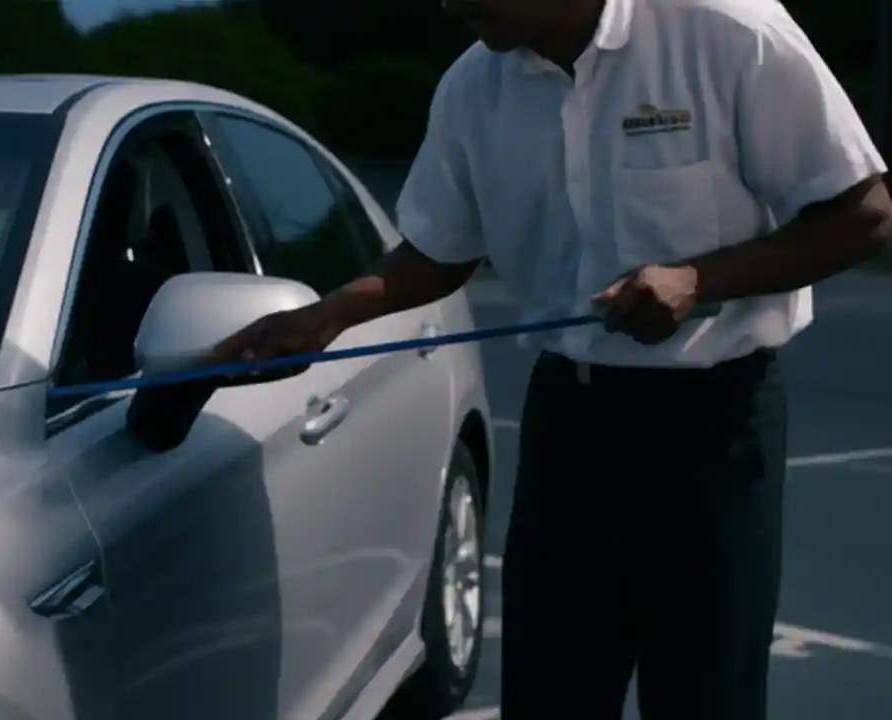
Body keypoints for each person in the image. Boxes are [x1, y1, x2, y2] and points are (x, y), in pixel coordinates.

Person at [210, 0, 892, 718]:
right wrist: (325, 316)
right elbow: (439, 252)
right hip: (570, 422)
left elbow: (865, 214)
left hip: (714, 431)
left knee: (705, 695)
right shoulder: (473, 87)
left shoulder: (730, 31)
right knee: (551, 690)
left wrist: (701, 279)